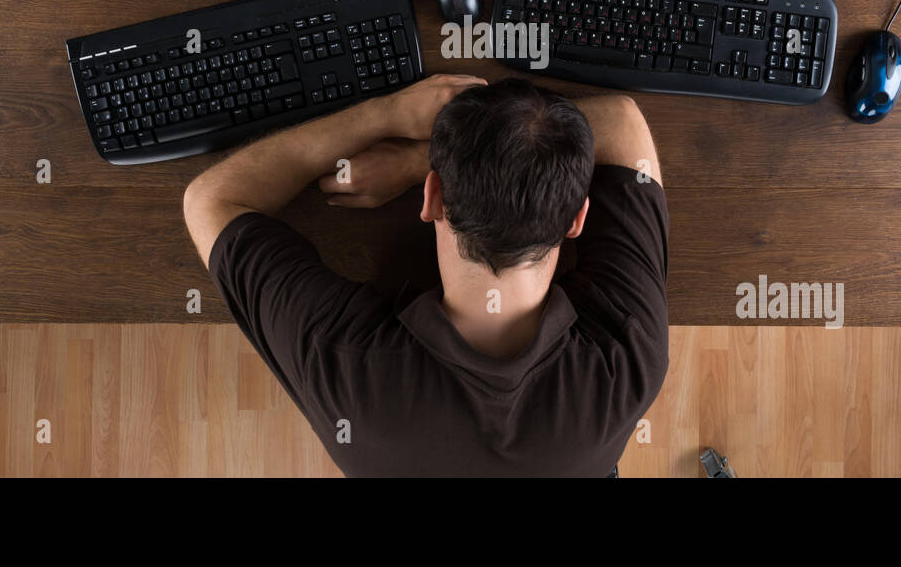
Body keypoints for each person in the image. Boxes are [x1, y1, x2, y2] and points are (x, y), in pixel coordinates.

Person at [183, 74, 669, 476]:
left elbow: (212, 200)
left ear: (432, 198)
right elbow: (621, 123)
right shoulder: (628, 362)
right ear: (577, 220)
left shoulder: (351, 368)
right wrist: (426, 162)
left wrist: (388, 117)